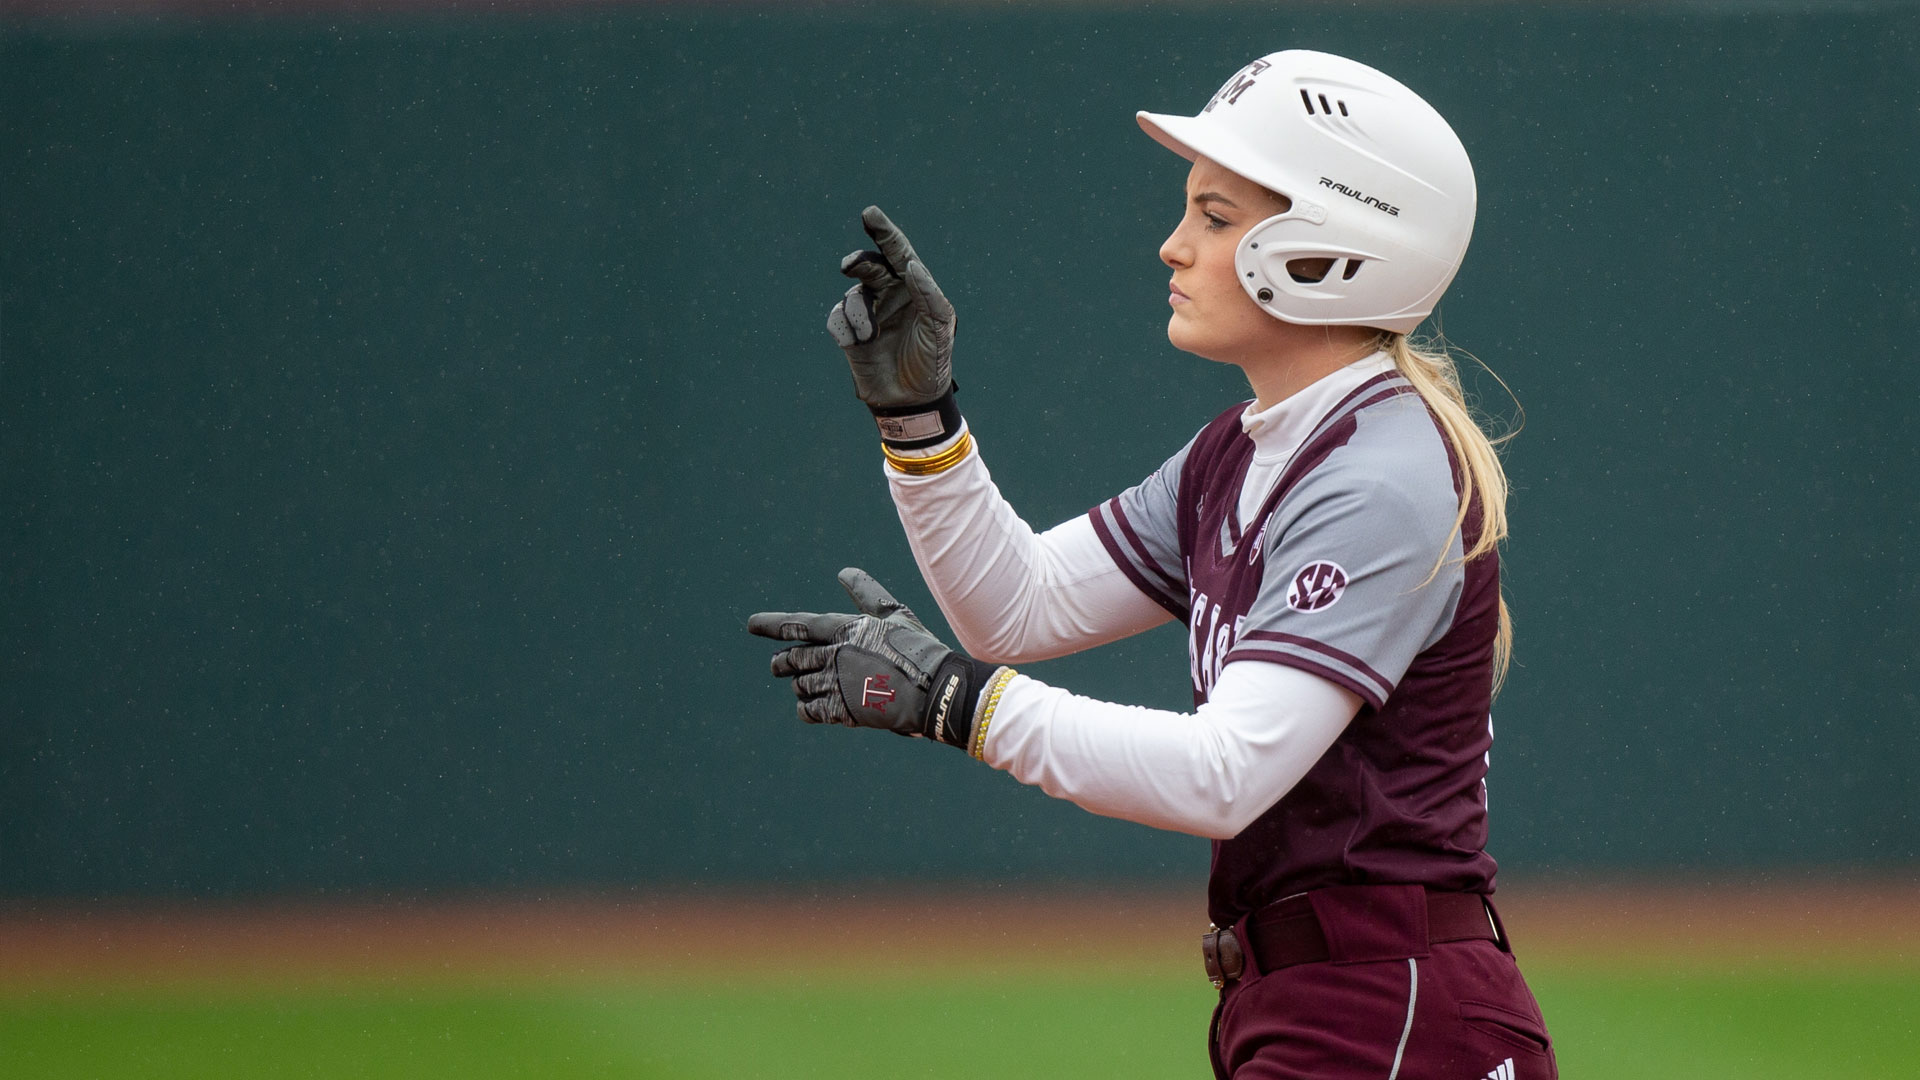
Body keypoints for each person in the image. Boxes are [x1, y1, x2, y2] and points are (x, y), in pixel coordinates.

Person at [748, 49, 1556, 1079]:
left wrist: (962, 704)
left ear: (1333, 249)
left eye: (1215, 218)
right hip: (1325, 1000)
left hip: (1389, 1011)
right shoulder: (1247, 448)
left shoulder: (1378, 478)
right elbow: (1017, 608)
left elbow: (1225, 776)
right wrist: (919, 422)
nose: (1173, 245)